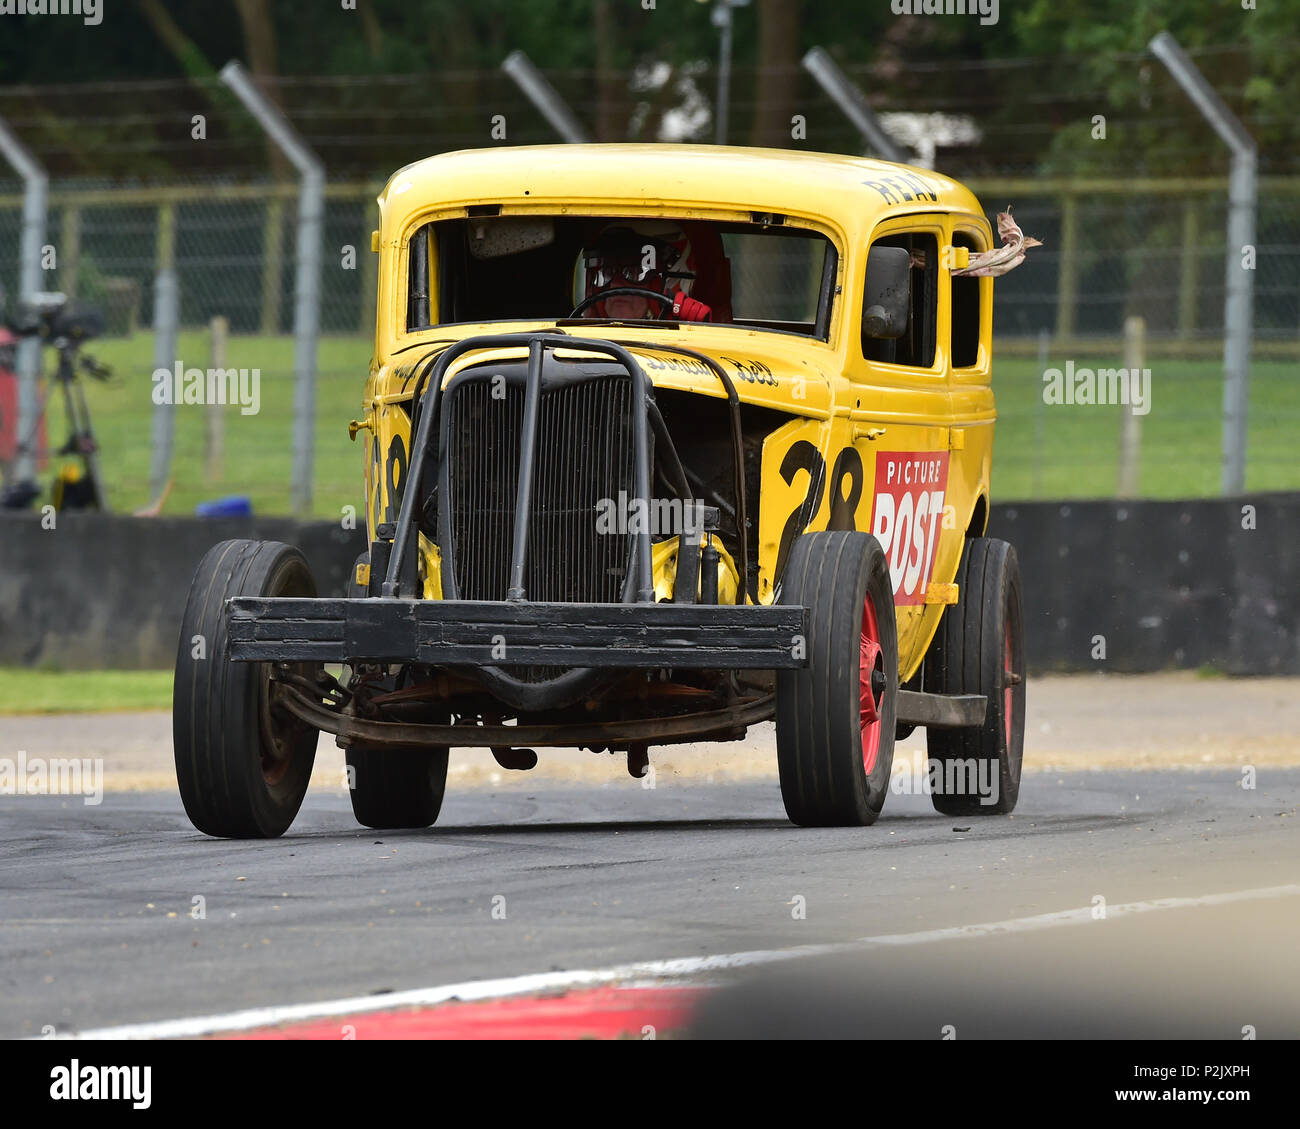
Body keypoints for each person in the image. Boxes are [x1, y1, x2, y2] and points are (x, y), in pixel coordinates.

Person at [579, 221, 712, 322]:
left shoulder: (695, 347)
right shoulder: (571, 343)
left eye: (636, 272)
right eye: (608, 271)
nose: (615, 284)